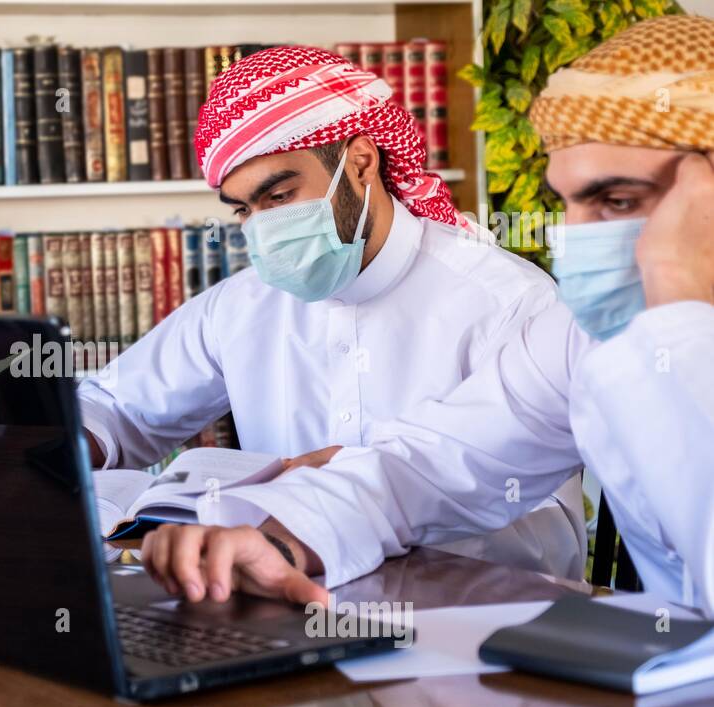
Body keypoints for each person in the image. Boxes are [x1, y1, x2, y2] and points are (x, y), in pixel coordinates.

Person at [0, 46, 588, 568]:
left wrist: (343, 508)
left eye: (280, 192)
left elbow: (548, 531)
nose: (263, 227)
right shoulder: (245, 305)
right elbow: (117, 408)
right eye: (243, 208)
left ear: (361, 161)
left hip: (463, 628)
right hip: (266, 597)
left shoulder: (506, 303)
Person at [140, 15, 714, 614]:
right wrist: (280, 544)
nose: (574, 237)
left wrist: (681, 307)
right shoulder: (582, 333)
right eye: (566, 202)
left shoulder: (557, 302)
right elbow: (425, 467)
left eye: (618, 201)